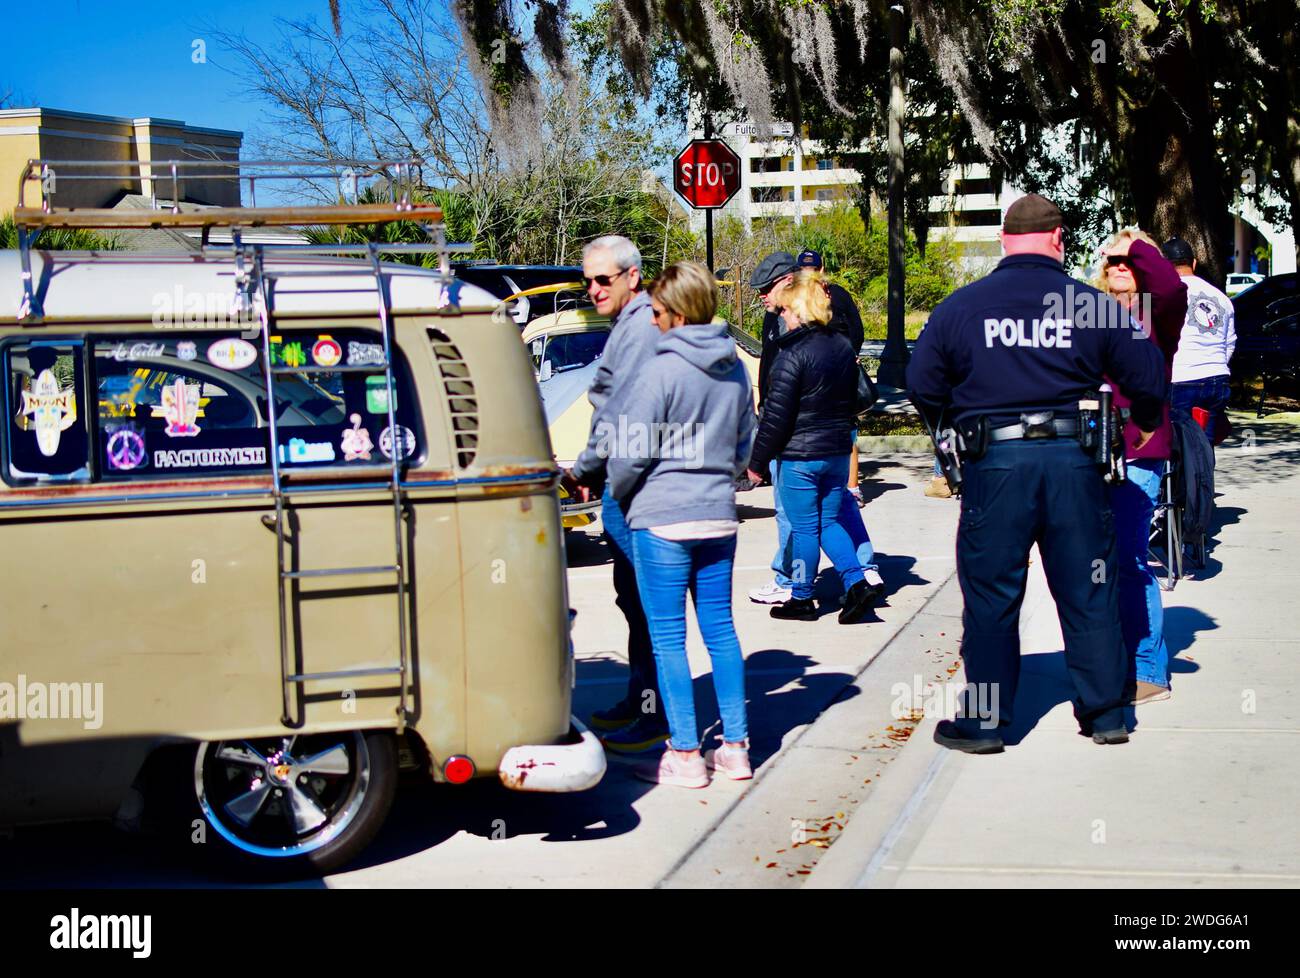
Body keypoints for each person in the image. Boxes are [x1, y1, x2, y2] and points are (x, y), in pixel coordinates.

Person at [907, 193, 1168, 752]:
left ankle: (985, 723)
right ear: (1058, 239)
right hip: (1074, 464)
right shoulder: (1090, 305)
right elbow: (1147, 373)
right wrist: (1142, 425)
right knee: (1088, 587)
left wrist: (958, 429)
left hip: (995, 465)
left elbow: (921, 383)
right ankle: (1106, 715)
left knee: (991, 595)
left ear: (1004, 241)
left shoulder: (961, 306)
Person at [605, 261, 757, 788]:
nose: (650, 319)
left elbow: (627, 450)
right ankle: (735, 748)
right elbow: (745, 441)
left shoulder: (660, 370)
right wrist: (721, 476)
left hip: (662, 515)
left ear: (674, 312)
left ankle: (686, 753)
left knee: (669, 639)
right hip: (718, 513)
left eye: (655, 311)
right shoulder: (733, 366)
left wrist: (624, 494)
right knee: (721, 630)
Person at [561, 235, 667, 753]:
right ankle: (641, 699)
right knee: (633, 599)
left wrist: (589, 468)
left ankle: (656, 713)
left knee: (648, 604)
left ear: (632, 276)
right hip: (624, 482)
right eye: (588, 280)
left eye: (604, 279)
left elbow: (627, 414)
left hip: (638, 486)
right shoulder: (628, 323)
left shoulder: (642, 327)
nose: (593, 288)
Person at [747, 253, 884, 606]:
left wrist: (757, 461)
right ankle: (858, 579)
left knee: (804, 526)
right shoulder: (839, 346)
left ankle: (799, 594)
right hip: (835, 446)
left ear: (793, 296)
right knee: (830, 520)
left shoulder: (793, 352)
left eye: (767, 290)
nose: (766, 300)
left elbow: (779, 412)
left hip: (799, 449)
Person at [1096, 228, 1187, 705]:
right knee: (1097, 562)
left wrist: (1132, 246)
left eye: (1128, 261)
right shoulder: (1090, 314)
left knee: (1131, 559)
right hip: (1091, 450)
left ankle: (1149, 669)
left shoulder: (1159, 316)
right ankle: (1109, 661)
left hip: (1139, 449)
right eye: (1111, 261)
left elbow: (1171, 286)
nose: (1118, 267)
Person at [797, 248, 868, 506]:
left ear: (821, 269)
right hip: (811, 374)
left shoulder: (837, 294)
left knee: (847, 428)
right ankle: (825, 487)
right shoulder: (795, 299)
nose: (809, 274)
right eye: (804, 270)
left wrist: (851, 354)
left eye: (812, 269)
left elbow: (857, 329)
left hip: (838, 372)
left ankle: (852, 488)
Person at [1161, 236, 1236, 451]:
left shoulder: (1160, 296)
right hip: (1217, 378)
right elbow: (1229, 344)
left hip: (1181, 378)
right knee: (1205, 447)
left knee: (1178, 449)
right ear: (1193, 263)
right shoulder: (1221, 298)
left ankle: (1183, 484)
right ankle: (1204, 483)